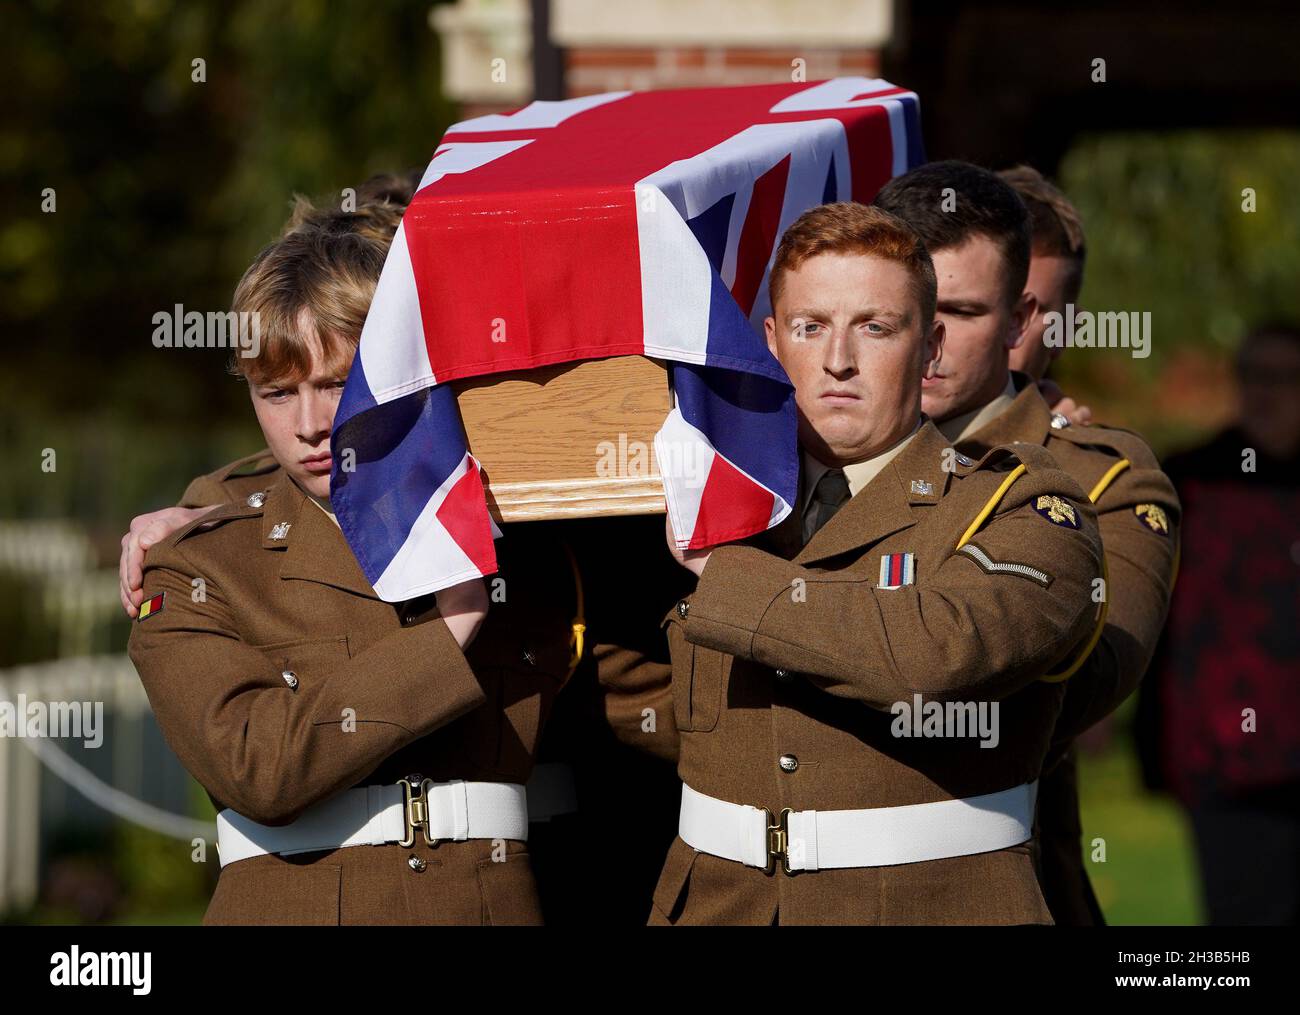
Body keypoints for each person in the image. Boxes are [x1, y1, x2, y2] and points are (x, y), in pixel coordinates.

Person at [120, 182, 683, 924]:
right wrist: (446, 634)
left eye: (337, 383)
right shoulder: (202, 563)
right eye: (276, 392)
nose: (311, 424)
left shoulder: (527, 553)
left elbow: (683, 717)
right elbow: (257, 767)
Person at [652, 202, 1104, 925]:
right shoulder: (719, 501)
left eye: (875, 327)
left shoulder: (1022, 502)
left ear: (928, 348)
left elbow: (933, 654)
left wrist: (722, 570)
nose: (838, 359)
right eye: (811, 327)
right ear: (771, 343)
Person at [874, 161, 1181, 925]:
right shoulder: (806, 451)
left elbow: (1074, 682)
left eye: (975, 310)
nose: (939, 339)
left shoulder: (1096, 474)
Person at [1138, 323, 1300, 925]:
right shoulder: (1189, 479)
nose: (1267, 393)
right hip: (1224, 760)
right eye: (1255, 376)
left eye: (1283, 378)